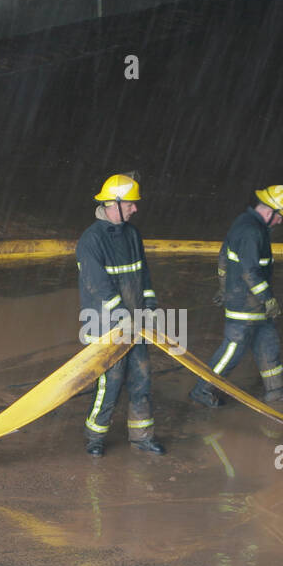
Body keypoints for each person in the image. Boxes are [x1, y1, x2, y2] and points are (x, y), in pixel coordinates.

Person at [76, 172, 165, 456]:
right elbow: (97, 283)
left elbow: (143, 275)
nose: (135, 208)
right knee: (110, 382)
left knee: (141, 378)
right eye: (130, 204)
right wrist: (120, 314)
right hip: (105, 326)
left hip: (135, 325)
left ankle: (142, 437)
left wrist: (149, 307)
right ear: (113, 203)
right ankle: (94, 437)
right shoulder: (90, 240)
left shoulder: (133, 235)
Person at [190, 185, 283, 408]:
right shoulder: (252, 232)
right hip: (244, 303)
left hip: (250, 301)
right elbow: (249, 271)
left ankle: (276, 390)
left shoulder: (246, 223)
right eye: (280, 217)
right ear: (270, 212)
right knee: (233, 349)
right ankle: (202, 390)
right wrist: (267, 299)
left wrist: (223, 287)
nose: (281, 222)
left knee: (267, 342)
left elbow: (223, 257)